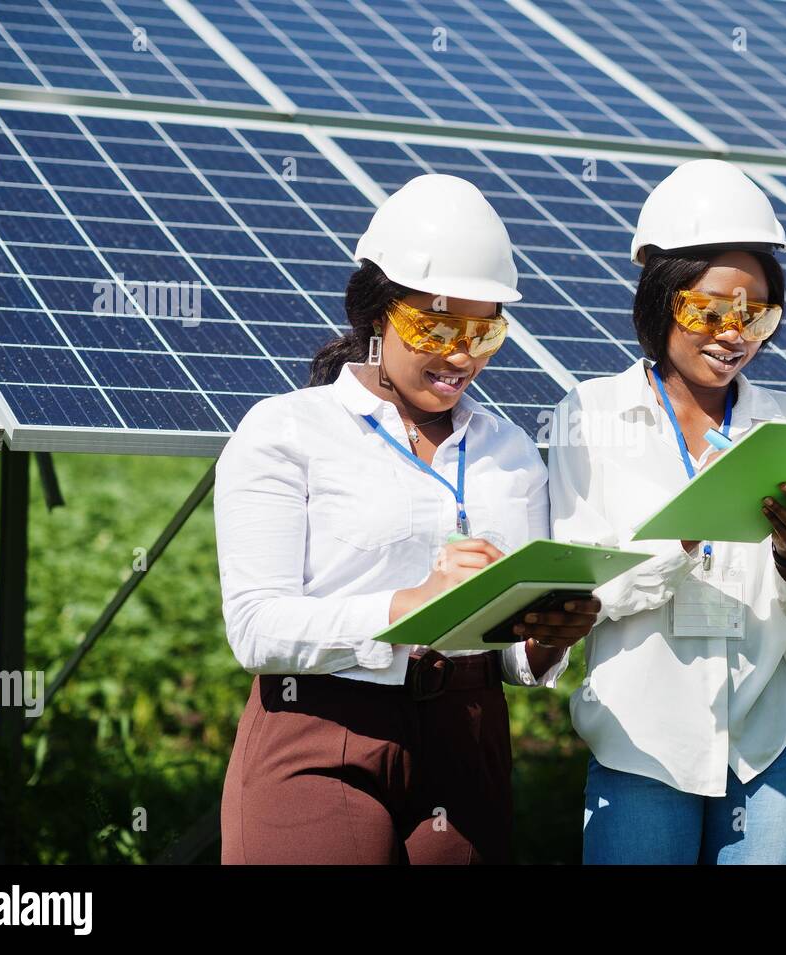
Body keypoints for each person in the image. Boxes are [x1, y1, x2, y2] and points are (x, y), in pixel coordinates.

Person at [216, 174, 599, 864]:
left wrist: (545, 640)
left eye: (485, 331)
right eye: (437, 326)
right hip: (323, 721)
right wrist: (409, 607)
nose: (462, 354)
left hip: (469, 732)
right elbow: (256, 628)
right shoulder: (286, 430)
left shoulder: (510, 451)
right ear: (376, 313)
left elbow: (509, 654)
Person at [549, 160, 786, 865]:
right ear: (660, 298)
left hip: (768, 732)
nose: (732, 333)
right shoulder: (590, 415)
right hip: (645, 735)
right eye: (707, 310)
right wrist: (676, 544)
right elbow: (582, 587)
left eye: (755, 314)